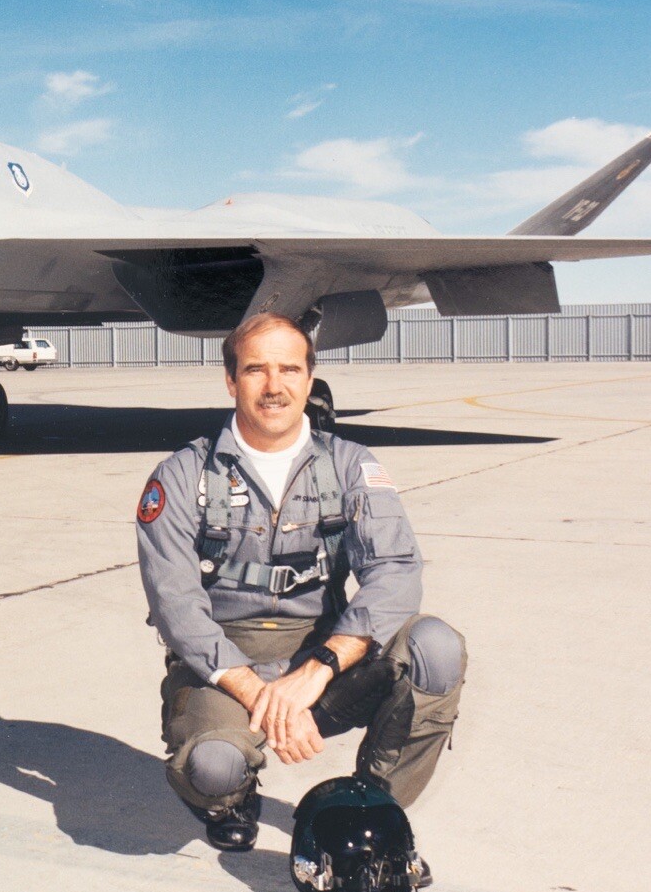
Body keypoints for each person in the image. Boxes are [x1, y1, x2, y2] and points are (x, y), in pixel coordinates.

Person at [136, 311, 466, 858]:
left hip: (328, 655)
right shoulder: (181, 476)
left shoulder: (351, 467)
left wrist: (320, 668)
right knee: (212, 767)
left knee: (435, 649)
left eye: (289, 369)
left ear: (310, 380)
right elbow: (175, 604)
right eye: (255, 370)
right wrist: (258, 693)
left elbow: (395, 574)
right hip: (225, 666)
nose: (274, 386)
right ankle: (232, 798)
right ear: (230, 380)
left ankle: (373, 801)